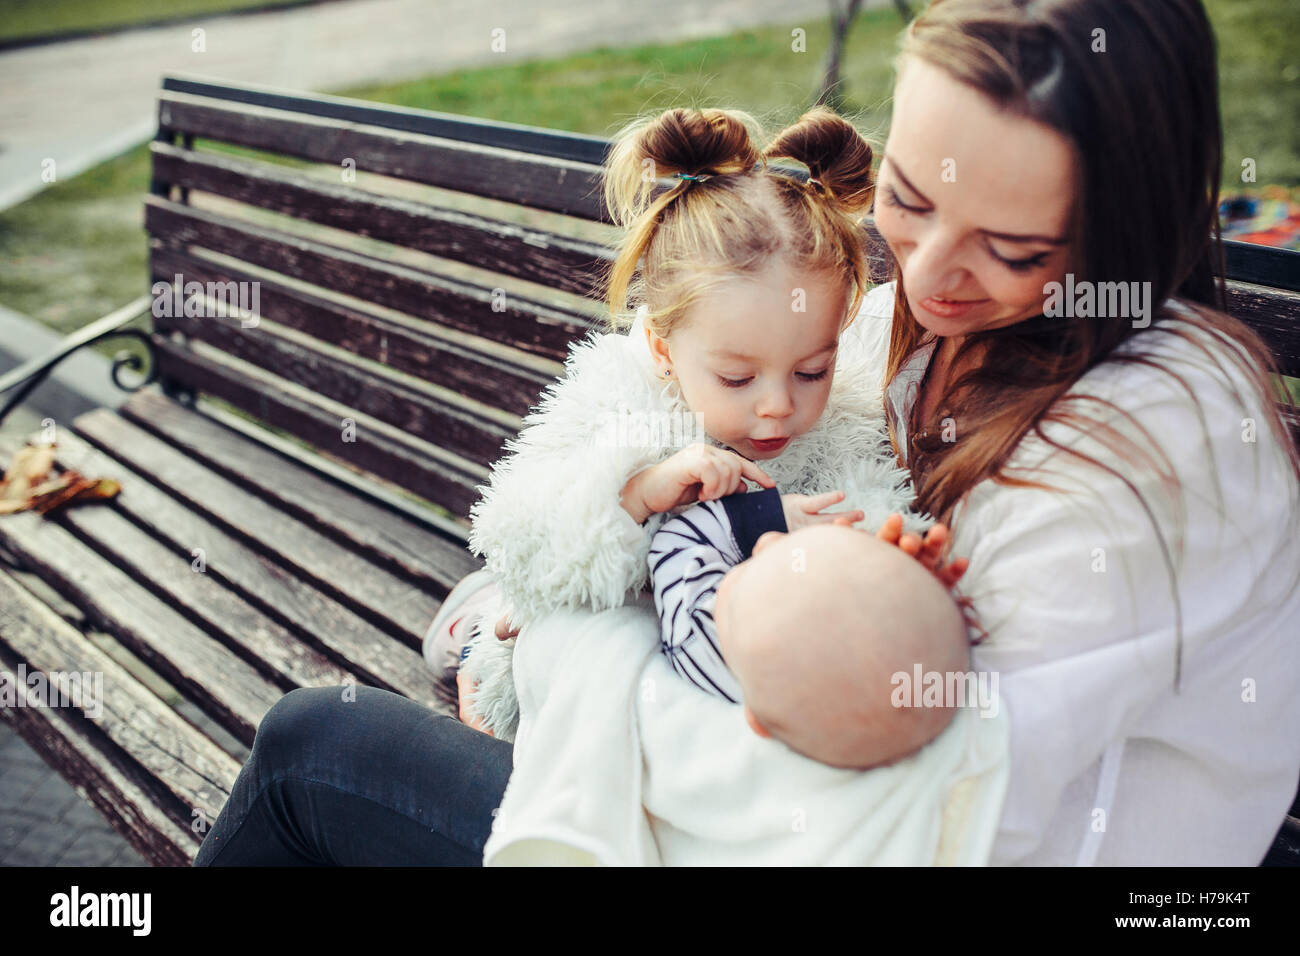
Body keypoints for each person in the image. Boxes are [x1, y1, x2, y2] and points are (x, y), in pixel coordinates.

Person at [194, 0, 1300, 867]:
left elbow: (898, 805)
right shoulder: (912, 329)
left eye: (1010, 248)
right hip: (745, 786)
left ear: (1130, 228)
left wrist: (571, 642)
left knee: (313, 752)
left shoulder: (1157, 450)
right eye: (906, 199)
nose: (921, 271)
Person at [438, 105, 934, 740]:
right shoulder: (624, 400)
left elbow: (871, 514)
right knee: (479, 625)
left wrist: (896, 563)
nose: (778, 405)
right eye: (737, 378)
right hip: (546, 682)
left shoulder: (847, 422)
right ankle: (467, 620)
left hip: (700, 704)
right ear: (667, 350)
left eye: (812, 370)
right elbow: (520, 531)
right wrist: (638, 493)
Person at [648, 496, 970, 769]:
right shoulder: (825, 725)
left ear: (757, 722)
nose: (765, 542)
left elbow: (673, 541)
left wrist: (769, 514)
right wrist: (907, 608)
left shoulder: (697, 635)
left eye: (751, 568)